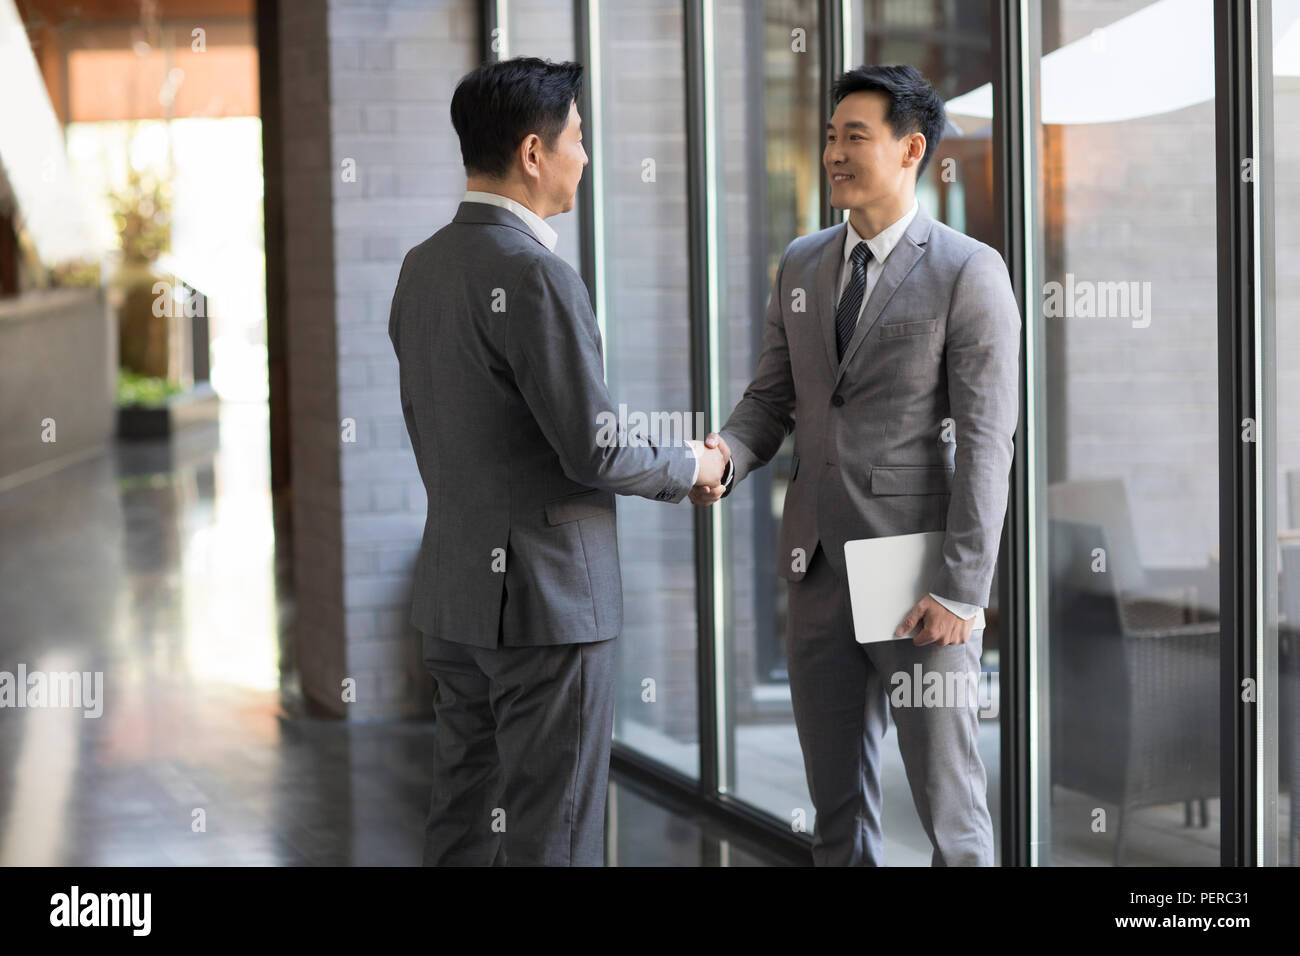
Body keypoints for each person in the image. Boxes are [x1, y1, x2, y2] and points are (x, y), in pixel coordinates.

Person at [388, 56, 728, 866]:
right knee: (554, 830)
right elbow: (595, 445)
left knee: (462, 824)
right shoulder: (534, 272)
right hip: (546, 606)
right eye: (578, 138)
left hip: (455, 594)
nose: (585, 155)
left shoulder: (423, 267)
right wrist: (691, 466)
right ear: (534, 153)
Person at [694, 65, 1020, 866]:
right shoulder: (803, 264)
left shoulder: (968, 271)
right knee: (836, 812)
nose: (835, 151)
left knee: (952, 812)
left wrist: (962, 590)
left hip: (918, 581)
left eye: (855, 137)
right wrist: (724, 457)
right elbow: (771, 402)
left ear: (911, 149)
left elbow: (988, 441)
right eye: (831, 135)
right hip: (815, 571)